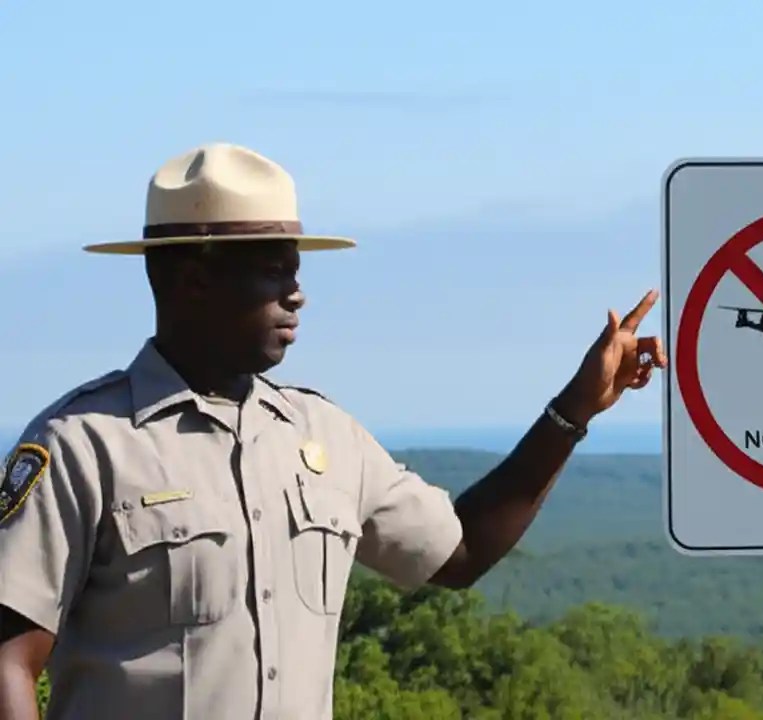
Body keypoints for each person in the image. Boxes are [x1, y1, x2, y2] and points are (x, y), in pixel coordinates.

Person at [0, 142, 667, 720]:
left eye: (296, 270)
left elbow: (460, 551)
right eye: (273, 270)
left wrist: (575, 409)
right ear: (194, 281)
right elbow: (9, 662)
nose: (298, 294)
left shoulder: (322, 436)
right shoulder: (84, 445)